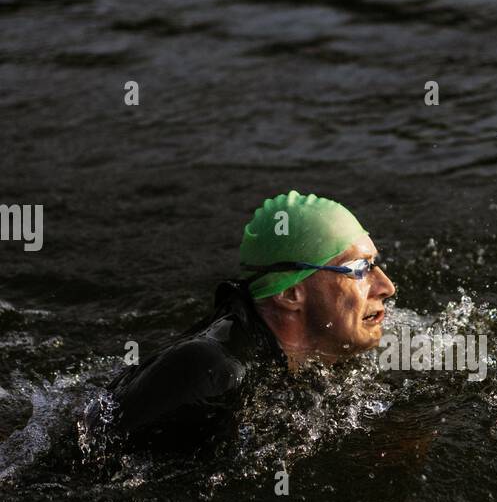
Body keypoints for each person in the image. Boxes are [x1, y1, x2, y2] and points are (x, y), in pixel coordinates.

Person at [89, 191, 396, 448]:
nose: (386, 287)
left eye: (374, 263)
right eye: (359, 269)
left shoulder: (300, 355)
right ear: (290, 294)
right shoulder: (212, 374)